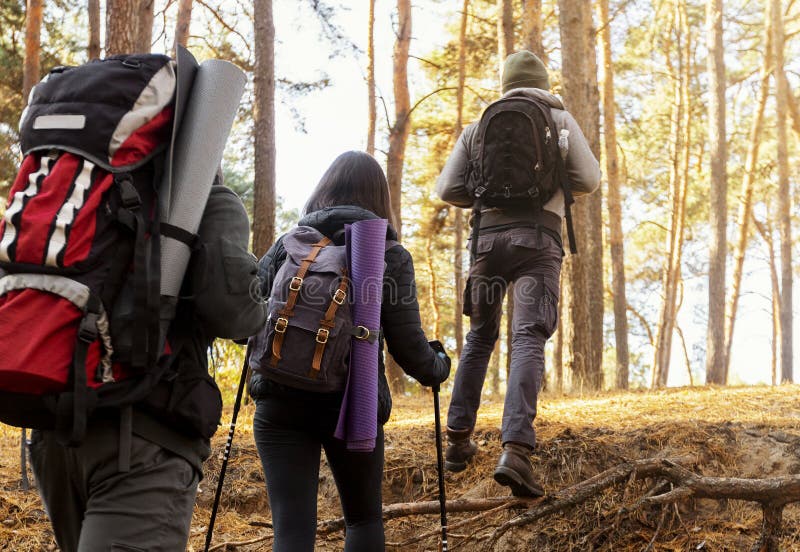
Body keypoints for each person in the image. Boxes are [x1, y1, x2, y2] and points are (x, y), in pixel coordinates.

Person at [29, 180, 267, 551]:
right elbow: (232, 313)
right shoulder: (204, 197)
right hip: (145, 434)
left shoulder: (71, 185)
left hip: (55, 427)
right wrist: (259, 298)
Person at [248, 150, 451, 552]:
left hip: (278, 402)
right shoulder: (388, 256)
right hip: (350, 402)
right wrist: (438, 366)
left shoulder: (289, 245)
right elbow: (409, 348)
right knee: (362, 519)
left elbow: (244, 320)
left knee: (290, 530)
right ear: (379, 198)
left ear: (324, 190)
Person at [436, 50, 600, 497]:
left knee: (480, 338)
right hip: (537, 241)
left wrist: (487, 195)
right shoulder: (558, 119)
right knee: (527, 336)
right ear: (543, 82)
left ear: (505, 83)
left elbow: (446, 188)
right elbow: (589, 180)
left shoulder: (480, 124)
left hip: (487, 243)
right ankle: (515, 451)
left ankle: (456, 441)